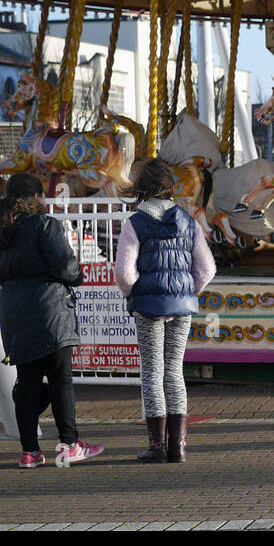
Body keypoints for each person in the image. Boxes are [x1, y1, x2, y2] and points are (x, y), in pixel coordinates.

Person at [0, 173, 105, 468]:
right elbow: (67, 270)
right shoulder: (45, 225)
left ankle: (29, 452)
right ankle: (70, 444)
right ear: (34, 197)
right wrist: (76, 273)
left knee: (27, 381)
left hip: (14, 309)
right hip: (49, 310)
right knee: (60, 379)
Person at [115, 158, 216, 464]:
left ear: (140, 189)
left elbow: (124, 273)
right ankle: (179, 447)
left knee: (152, 372)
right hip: (181, 307)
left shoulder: (134, 223)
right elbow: (207, 269)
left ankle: (156, 446)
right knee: (174, 371)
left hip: (148, 308)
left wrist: (134, 291)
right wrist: (187, 291)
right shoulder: (189, 221)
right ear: (170, 186)